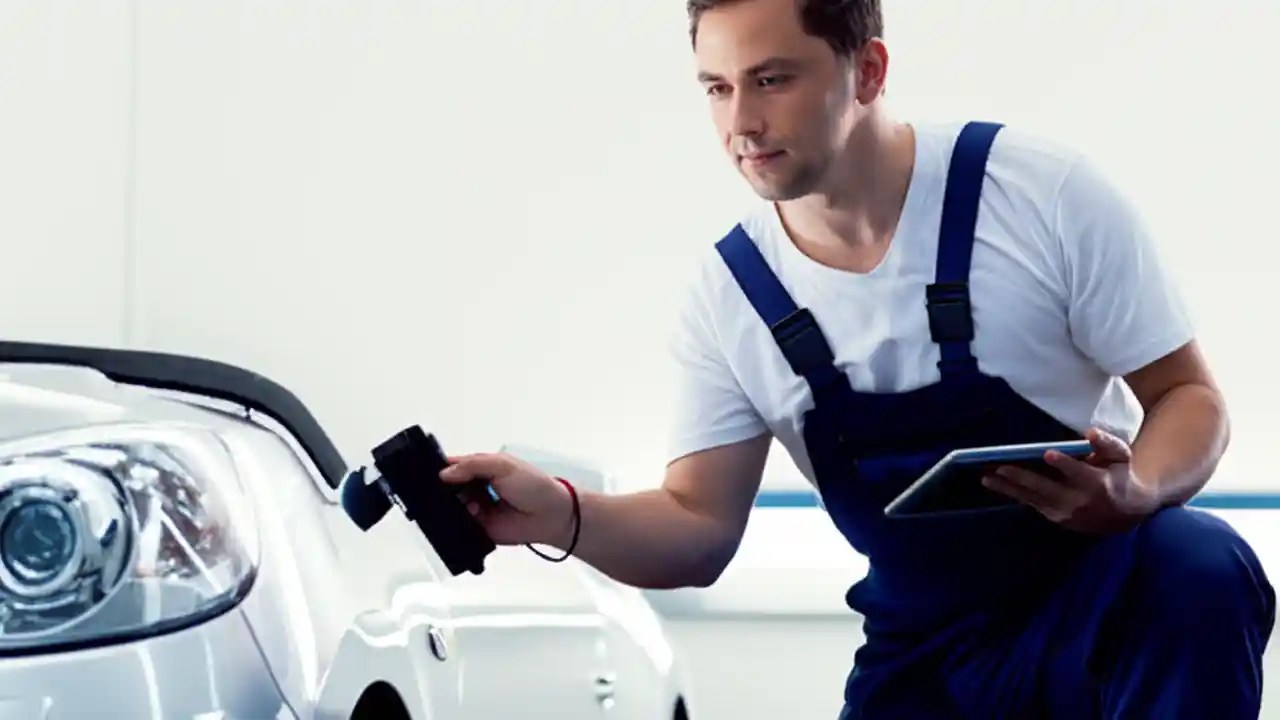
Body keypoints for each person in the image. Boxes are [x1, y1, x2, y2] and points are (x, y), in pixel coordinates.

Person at [440, 0, 1276, 717]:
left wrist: (1135, 490)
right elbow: (697, 530)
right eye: (718, 89)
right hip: (925, 657)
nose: (741, 124)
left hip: (1106, 608)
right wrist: (556, 513)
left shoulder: (1039, 196)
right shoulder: (733, 295)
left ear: (868, 70)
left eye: (773, 80)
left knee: (1197, 564)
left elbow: (1190, 400)